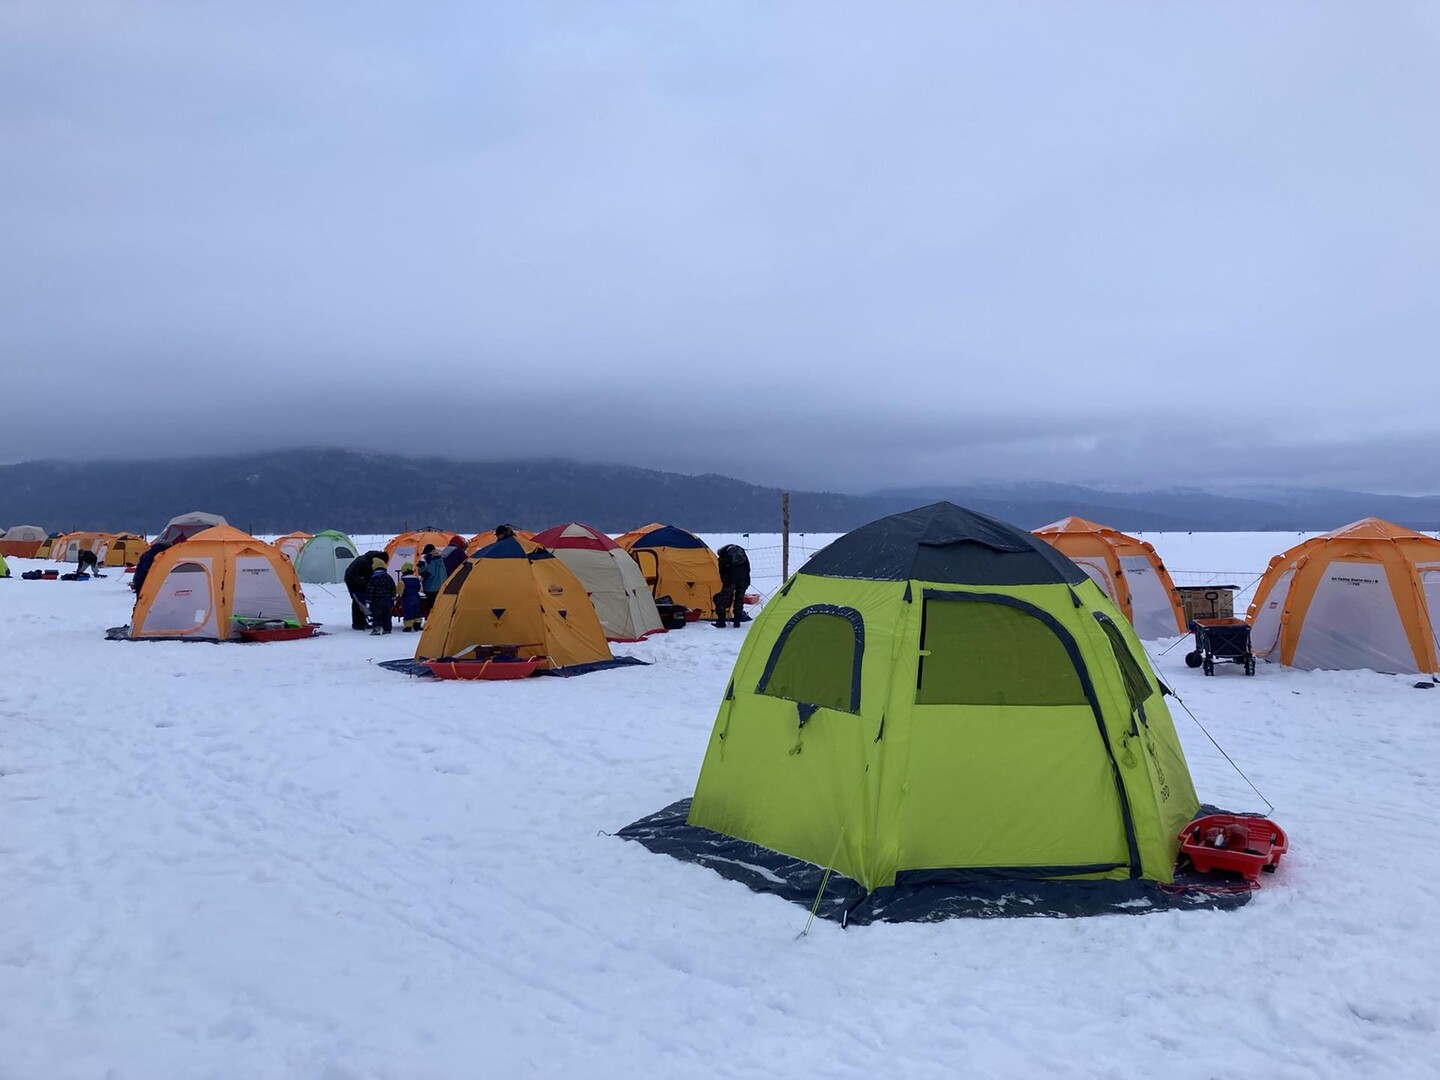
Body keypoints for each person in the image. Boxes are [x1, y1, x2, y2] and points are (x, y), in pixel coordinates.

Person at [344, 549, 387, 630]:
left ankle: (363, 622)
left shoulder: (373, 561)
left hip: (363, 582)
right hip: (351, 581)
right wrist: (362, 582)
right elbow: (351, 573)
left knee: (364, 600)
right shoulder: (362, 561)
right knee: (356, 601)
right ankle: (357, 623)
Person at [713, 543, 751, 628]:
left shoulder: (723, 556)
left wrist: (725, 581)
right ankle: (737, 622)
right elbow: (748, 568)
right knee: (739, 600)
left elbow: (722, 571)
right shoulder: (742, 553)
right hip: (743, 579)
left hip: (730, 579)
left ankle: (721, 621)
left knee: (723, 599)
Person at [366, 557, 397, 635]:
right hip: (387, 601)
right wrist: (393, 597)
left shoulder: (373, 578)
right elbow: (392, 587)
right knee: (387, 615)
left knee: (377, 615)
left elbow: (370, 589)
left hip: (376, 601)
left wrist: (368, 599)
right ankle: (387, 628)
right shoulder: (388, 577)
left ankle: (377, 628)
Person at [418, 544, 448, 615]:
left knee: (431, 608)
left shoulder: (431, 561)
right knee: (438, 607)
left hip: (431, 588)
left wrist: (421, 569)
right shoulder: (440, 560)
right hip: (441, 586)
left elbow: (430, 574)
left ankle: (430, 623)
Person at [397, 561, 425, 632]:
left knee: (408, 611)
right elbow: (419, 588)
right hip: (416, 597)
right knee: (417, 610)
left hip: (407, 598)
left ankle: (408, 626)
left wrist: (399, 594)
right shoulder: (416, 579)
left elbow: (399, 590)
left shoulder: (402, 580)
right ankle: (417, 625)